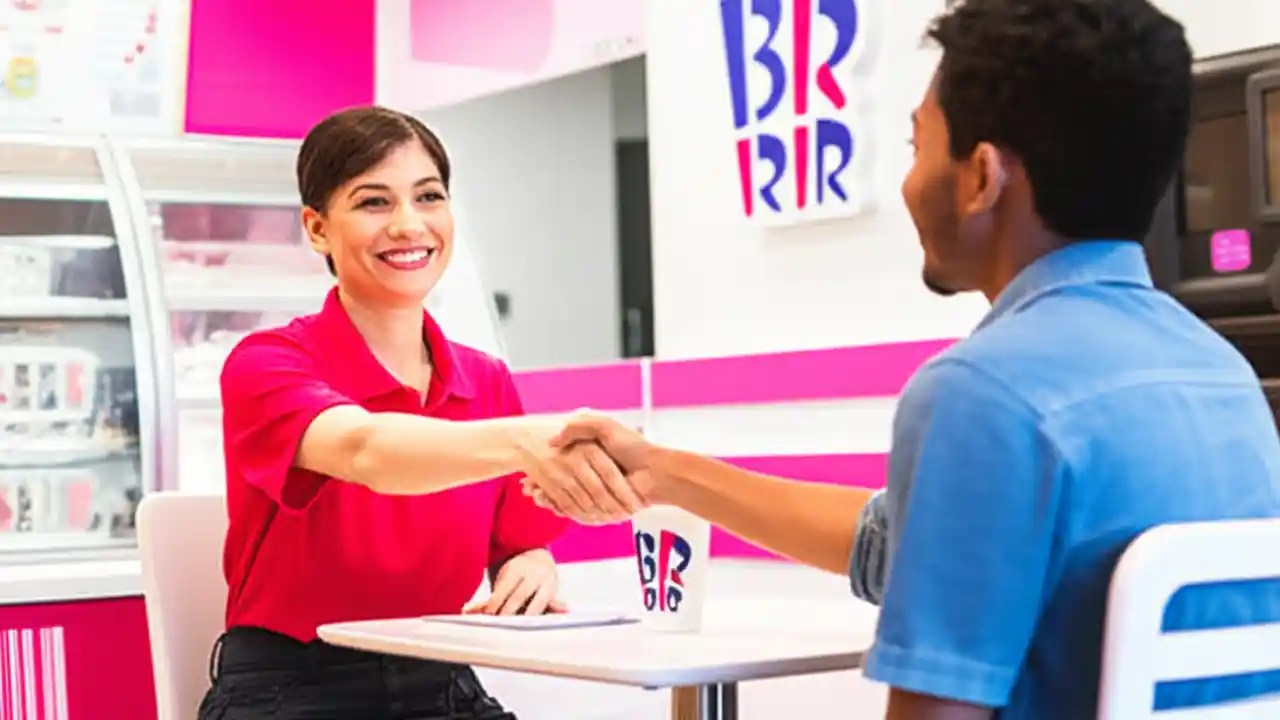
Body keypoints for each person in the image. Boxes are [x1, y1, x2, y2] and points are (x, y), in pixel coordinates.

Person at [529, 1, 1280, 718]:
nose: (909, 180)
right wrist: (659, 472)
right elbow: (892, 541)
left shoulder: (983, 394)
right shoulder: (1222, 377)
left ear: (983, 176)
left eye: (919, 147)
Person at [200, 106, 639, 720]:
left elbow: (518, 542)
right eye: (374, 202)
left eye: (428, 197)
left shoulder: (484, 380)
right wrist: (521, 439)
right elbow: (366, 451)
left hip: (441, 682)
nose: (409, 225)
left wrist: (532, 565)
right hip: (293, 689)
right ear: (318, 228)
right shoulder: (266, 364)